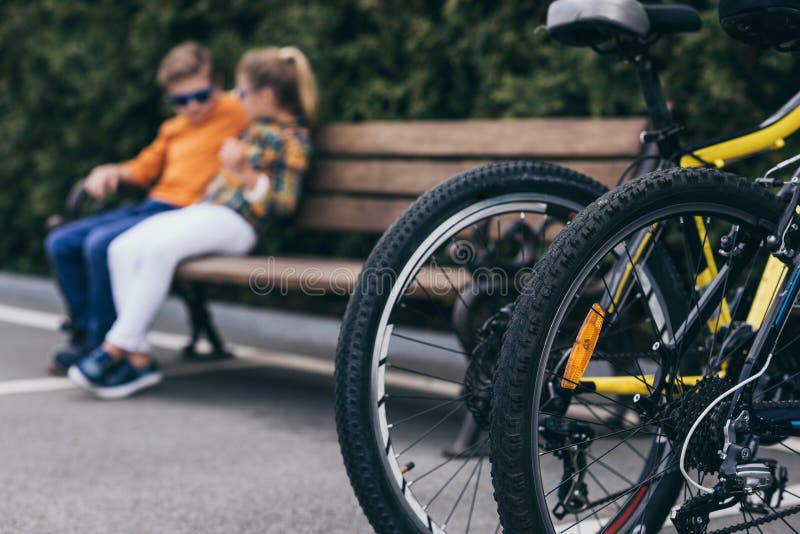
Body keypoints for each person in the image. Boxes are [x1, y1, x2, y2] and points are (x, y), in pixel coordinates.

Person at [68, 46, 317, 399]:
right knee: (122, 247)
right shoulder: (251, 128)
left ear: (266, 96)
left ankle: (115, 348)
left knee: (158, 251)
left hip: (236, 224)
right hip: (204, 211)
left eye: (242, 92)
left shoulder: (293, 139)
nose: (235, 98)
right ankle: (139, 360)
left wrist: (244, 172)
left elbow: (283, 205)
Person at [44, 42, 249, 375]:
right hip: (152, 204)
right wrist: (112, 170)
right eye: (180, 101)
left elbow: (274, 101)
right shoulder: (173, 129)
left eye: (201, 95)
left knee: (101, 244)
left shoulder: (238, 110)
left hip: (185, 216)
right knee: (61, 242)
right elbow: (142, 169)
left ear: (217, 83)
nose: (193, 107)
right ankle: (85, 336)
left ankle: (104, 345)